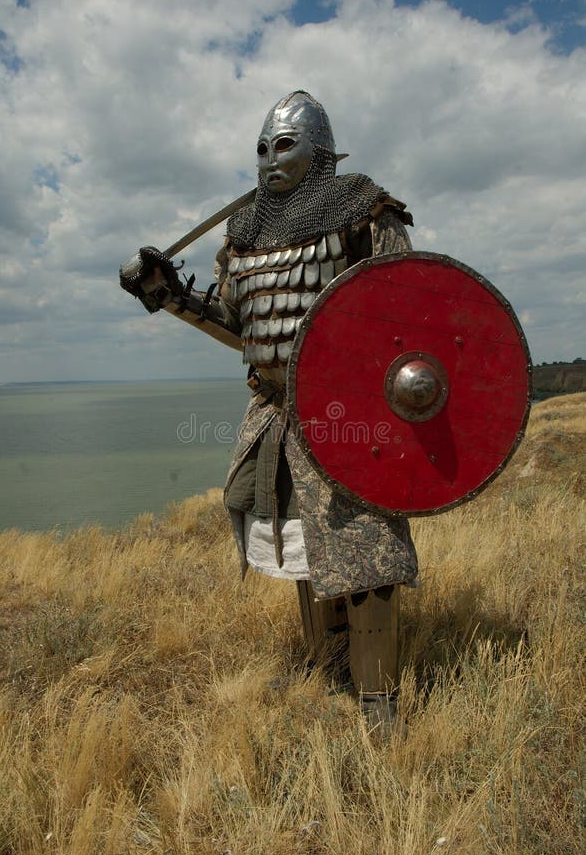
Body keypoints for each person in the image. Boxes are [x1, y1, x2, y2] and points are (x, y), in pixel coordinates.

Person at [121, 91, 418, 728]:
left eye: (284, 145)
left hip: (350, 417)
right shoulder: (244, 235)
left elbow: (409, 310)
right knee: (304, 546)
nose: (269, 159)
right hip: (277, 414)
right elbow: (240, 327)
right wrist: (168, 295)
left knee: (368, 554)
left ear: (320, 153)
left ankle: (379, 700)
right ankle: (324, 664)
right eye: (262, 147)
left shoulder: (363, 212)